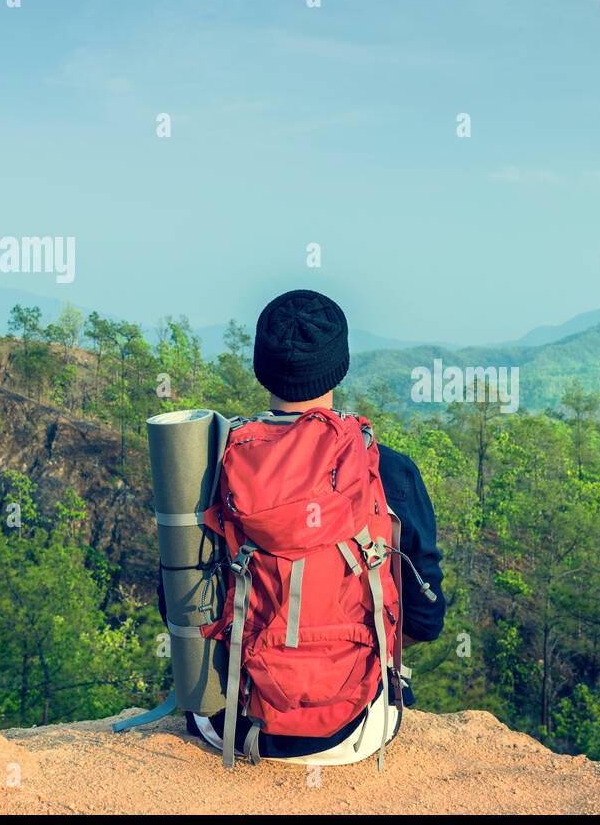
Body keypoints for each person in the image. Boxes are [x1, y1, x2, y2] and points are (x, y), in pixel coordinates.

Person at [188, 288, 446, 763]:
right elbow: (426, 621)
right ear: (339, 365)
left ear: (261, 366)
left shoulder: (213, 469)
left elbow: (184, 605)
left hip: (235, 725)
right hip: (356, 731)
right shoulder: (389, 472)